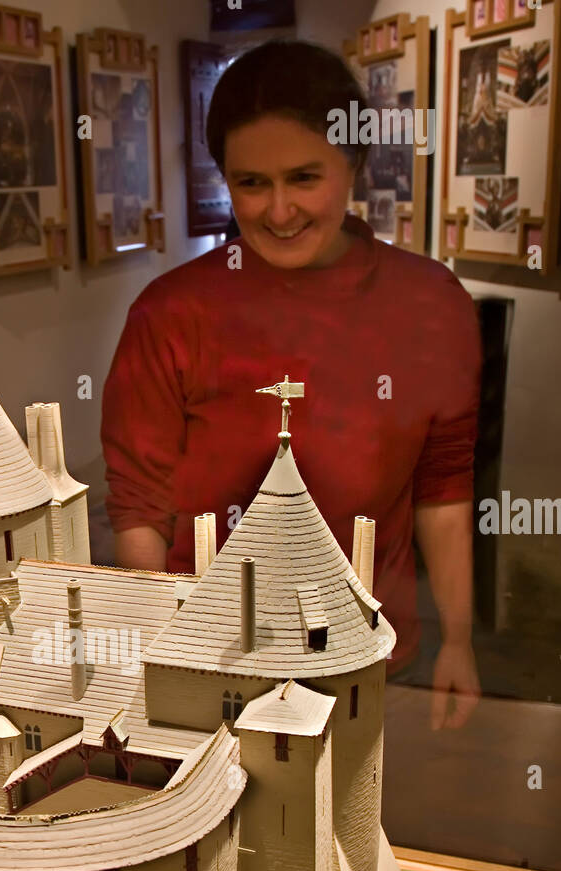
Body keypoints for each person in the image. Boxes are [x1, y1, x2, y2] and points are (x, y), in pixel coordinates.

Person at [102, 40, 481, 729]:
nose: (278, 212)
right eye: (251, 183)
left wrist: (459, 639)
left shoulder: (432, 305)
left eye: (305, 178)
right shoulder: (170, 314)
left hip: (368, 654)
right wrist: (157, 655)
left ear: (354, 166)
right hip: (212, 656)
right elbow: (140, 509)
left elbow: (445, 487)